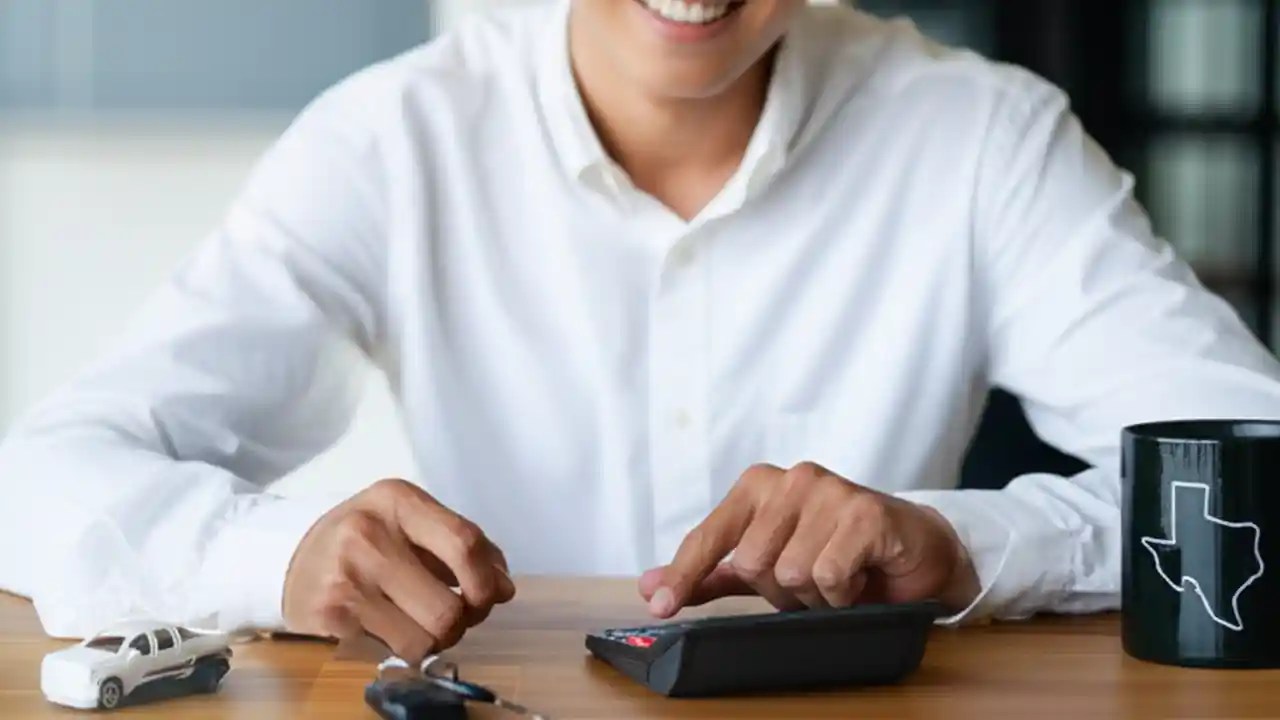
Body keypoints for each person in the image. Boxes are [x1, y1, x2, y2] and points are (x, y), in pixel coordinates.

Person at [3, 0, 1280, 662]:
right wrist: (272, 556)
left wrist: (959, 543)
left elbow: (1259, 470)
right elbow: (36, 483)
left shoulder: (982, 137)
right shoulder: (389, 141)